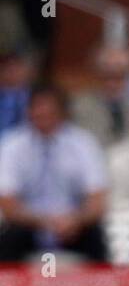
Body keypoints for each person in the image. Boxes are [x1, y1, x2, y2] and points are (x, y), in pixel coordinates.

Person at [0, 86, 108, 262]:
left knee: (95, 235)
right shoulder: (11, 145)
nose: (42, 116)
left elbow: (96, 200)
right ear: (28, 111)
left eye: (49, 112)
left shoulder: (84, 143)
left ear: (62, 113)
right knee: (11, 235)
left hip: (74, 225)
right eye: (37, 110)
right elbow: (8, 203)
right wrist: (45, 221)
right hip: (29, 224)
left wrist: (74, 220)